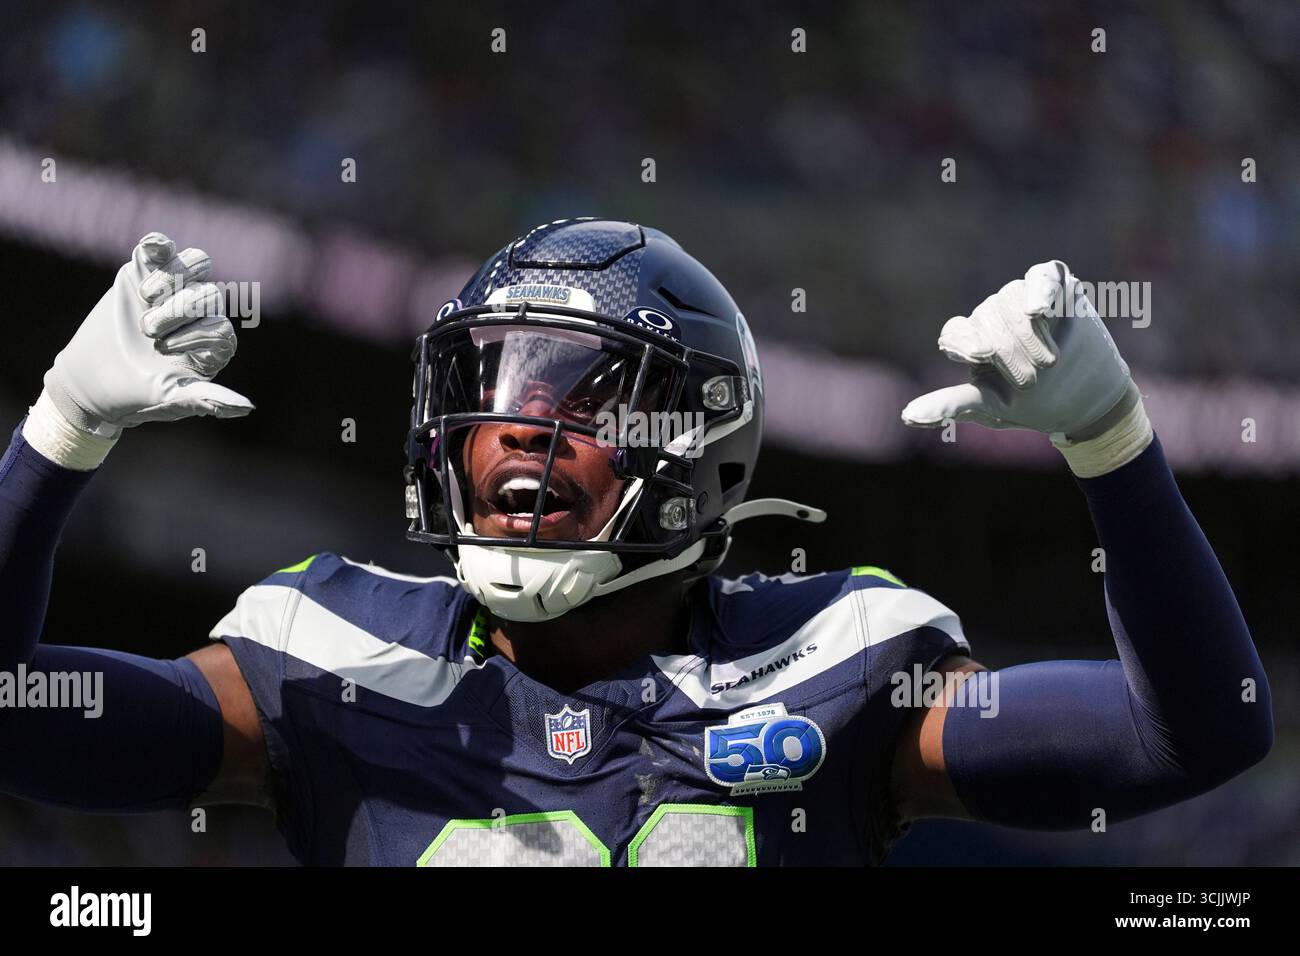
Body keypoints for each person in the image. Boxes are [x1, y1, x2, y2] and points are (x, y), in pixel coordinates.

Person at [0, 219, 1272, 865]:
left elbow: (1199, 727)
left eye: (578, 397)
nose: (512, 434)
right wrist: (55, 435)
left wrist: (1109, 439)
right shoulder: (324, 655)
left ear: (697, 440)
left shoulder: (839, 660)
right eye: (487, 388)